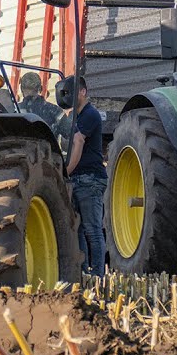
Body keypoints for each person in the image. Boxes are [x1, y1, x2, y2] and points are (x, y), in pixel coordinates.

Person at [60, 75, 106, 278]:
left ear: (83, 92)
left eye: (71, 92)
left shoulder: (90, 114)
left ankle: (97, 275)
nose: (67, 96)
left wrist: (66, 171)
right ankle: (83, 273)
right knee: (78, 228)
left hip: (90, 178)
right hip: (80, 178)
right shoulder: (76, 116)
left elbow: (78, 142)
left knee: (92, 230)